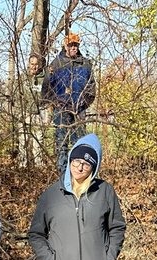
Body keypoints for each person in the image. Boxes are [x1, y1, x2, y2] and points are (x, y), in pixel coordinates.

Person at [42, 33, 97, 175]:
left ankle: (80, 172)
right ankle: (63, 173)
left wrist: (83, 104)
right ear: (65, 46)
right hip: (61, 110)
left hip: (79, 110)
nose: (73, 47)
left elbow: (91, 88)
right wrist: (54, 103)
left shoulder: (85, 64)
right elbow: (46, 87)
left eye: (76, 45)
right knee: (62, 143)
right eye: (71, 45)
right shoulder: (56, 64)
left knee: (79, 142)